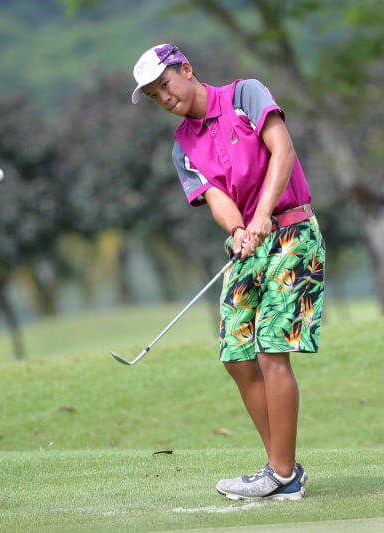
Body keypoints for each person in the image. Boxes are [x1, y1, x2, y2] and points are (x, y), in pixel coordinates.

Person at [131, 43, 325, 501]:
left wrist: (261, 216)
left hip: (293, 233)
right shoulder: (183, 144)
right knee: (236, 355)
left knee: (272, 350)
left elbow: (283, 151)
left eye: (165, 84)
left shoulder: (246, 95)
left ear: (186, 70)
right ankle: (283, 470)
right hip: (247, 246)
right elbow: (215, 195)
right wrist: (238, 227)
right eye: (155, 96)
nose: (165, 97)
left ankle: (279, 474)